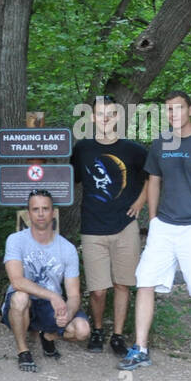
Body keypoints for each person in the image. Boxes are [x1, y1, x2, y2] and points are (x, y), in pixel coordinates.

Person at [119, 91, 191, 371]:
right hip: (165, 226)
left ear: (190, 110)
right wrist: (154, 218)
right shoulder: (162, 142)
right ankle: (140, 348)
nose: (173, 114)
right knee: (144, 280)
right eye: (168, 110)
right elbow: (153, 181)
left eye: (178, 109)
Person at [71, 95, 147, 355]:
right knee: (98, 289)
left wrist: (140, 202)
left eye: (111, 114)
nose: (105, 119)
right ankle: (97, 329)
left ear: (118, 117)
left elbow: (153, 177)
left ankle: (117, 335)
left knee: (123, 285)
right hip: (93, 226)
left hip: (125, 225)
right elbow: (71, 179)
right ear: (92, 117)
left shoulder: (133, 150)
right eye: (100, 114)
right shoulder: (82, 148)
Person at [0, 190, 91, 372]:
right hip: (24, 303)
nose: (40, 214)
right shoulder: (16, 240)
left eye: (45, 209)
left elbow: (73, 295)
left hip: (50, 307)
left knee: (82, 330)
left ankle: (48, 336)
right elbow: (17, 281)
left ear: (53, 212)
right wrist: (53, 296)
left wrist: (68, 313)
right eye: (35, 209)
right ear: (28, 213)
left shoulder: (67, 248)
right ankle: (23, 350)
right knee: (20, 297)